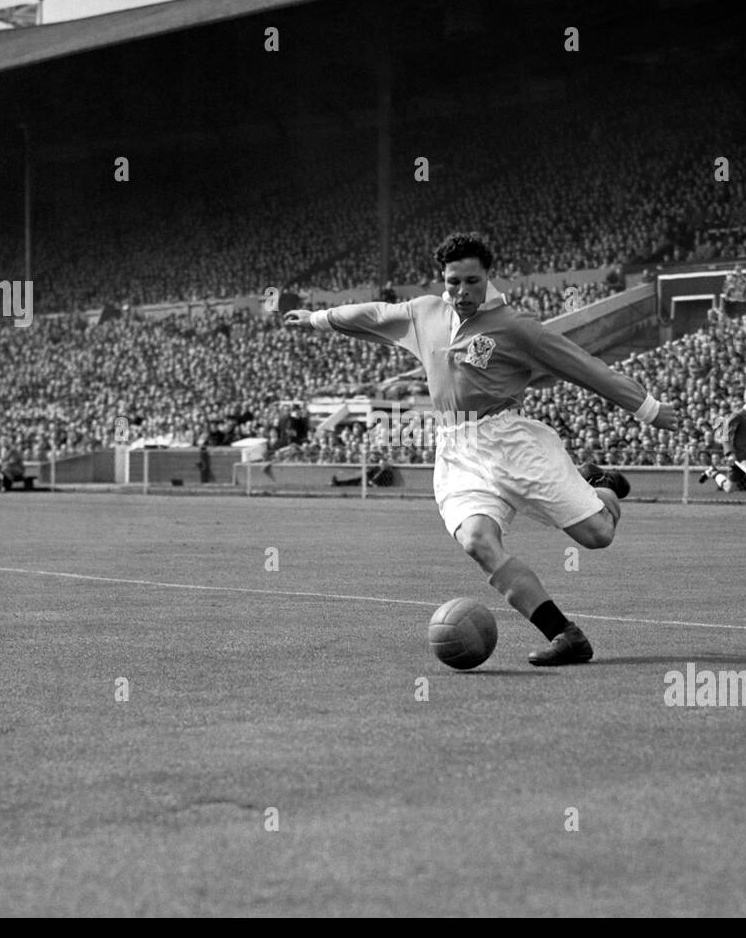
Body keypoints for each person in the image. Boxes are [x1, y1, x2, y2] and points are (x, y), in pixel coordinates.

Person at [286, 231, 677, 667]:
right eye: (453, 281)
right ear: (443, 279)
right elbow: (374, 313)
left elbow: (582, 367)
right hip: (455, 449)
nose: (461, 291)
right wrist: (319, 318)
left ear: (488, 277)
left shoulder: (516, 327)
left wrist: (646, 407)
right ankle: (566, 636)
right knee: (477, 541)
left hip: (508, 443)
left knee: (598, 536)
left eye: (471, 281)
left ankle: (599, 486)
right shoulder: (425, 312)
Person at [700, 387, 746, 524]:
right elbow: (725, 434)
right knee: (732, 488)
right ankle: (714, 473)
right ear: (745, 398)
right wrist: (729, 453)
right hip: (739, 457)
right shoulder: (738, 415)